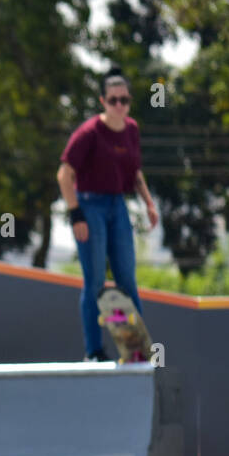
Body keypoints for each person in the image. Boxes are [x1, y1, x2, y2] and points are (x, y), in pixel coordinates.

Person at [56, 71, 159, 361]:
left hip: (117, 205)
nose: (119, 106)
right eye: (113, 100)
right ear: (103, 101)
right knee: (96, 282)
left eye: (124, 100)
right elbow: (64, 174)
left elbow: (135, 172)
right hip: (90, 206)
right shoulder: (89, 133)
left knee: (127, 279)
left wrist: (149, 204)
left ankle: (135, 347)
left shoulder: (131, 130)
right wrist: (76, 214)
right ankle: (94, 351)